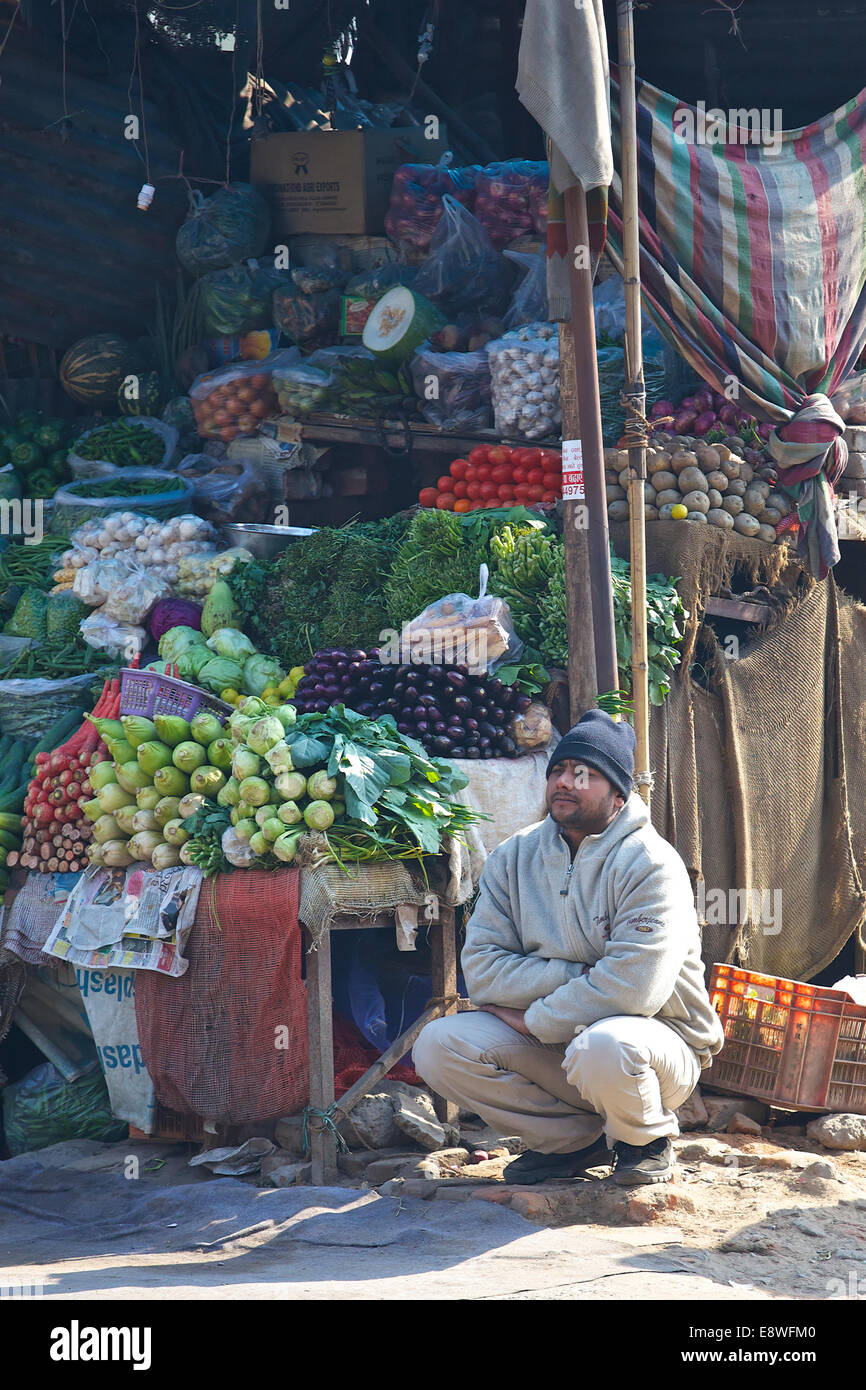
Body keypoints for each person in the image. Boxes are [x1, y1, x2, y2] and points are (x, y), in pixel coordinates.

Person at [413, 709, 724, 1186]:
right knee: (439, 1044)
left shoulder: (652, 864)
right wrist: (583, 978)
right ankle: (571, 1143)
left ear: (619, 794)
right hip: (562, 1047)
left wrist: (532, 1017)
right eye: (559, 770)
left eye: (585, 775)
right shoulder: (512, 857)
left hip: (656, 1049)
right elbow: (483, 971)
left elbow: (634, 992)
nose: (565, 782)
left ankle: (645, 1139)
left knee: (604, 1042)